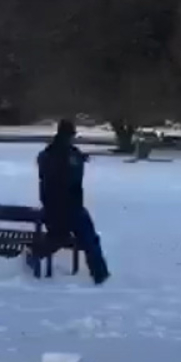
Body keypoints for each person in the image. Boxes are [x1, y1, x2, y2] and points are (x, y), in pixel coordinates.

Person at [35, 119, 110, 284]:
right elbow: (72, 178)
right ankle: (100, 274)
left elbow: (47, 171)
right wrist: (78, 160)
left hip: (52, 209)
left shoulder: (47, 153)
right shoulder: (70, 155)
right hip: (71, 208)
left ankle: (33, 256)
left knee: (58, 237)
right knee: (90, 239)